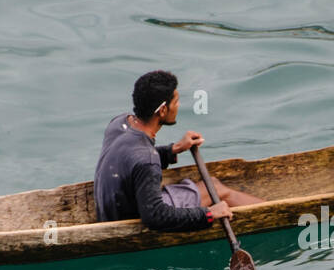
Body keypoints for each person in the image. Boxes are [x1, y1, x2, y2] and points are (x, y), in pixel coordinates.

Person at [94, 70, 264, 228]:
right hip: (128, 218)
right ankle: (279, 211)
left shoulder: (119, 123)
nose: (179, 105)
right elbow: (155, 216)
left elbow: (132, 160)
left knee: (212, 185)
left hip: (113, 207)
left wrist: (173, 150)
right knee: (217, 190)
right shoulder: (147, 159)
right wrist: (209, 214)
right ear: (162, 110)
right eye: (176, 101)